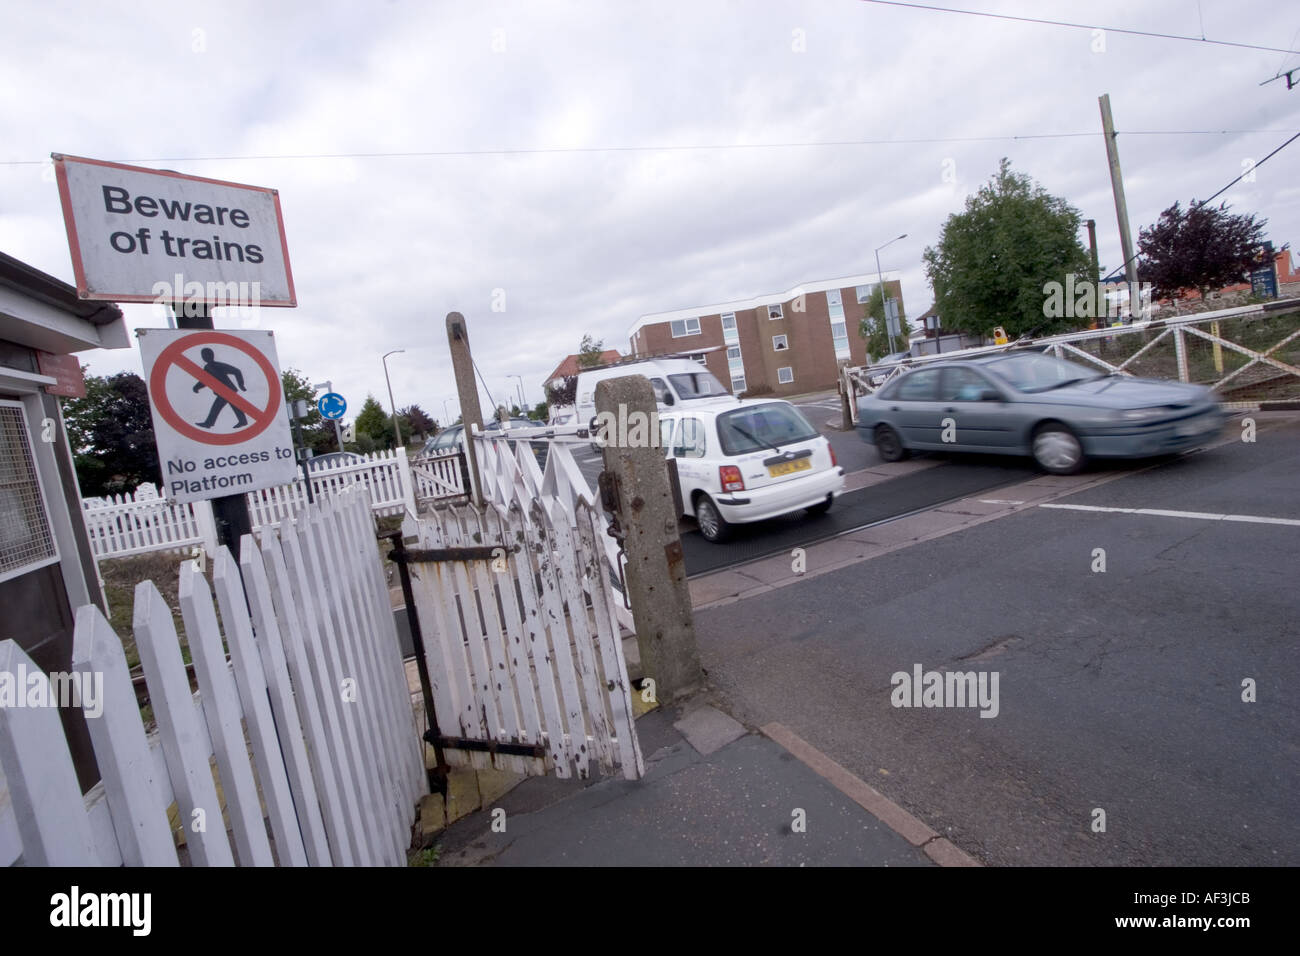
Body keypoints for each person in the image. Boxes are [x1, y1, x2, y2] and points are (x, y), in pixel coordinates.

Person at [193, 347, 249, 428]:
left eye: (207, 355)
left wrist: (241, 385)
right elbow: (205, 380)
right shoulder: (207, 367)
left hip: (227, 390)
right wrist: (197, 387)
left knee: (216, 407)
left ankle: (208, 423)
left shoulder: (218, 365)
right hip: (222, 391)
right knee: (234, 406)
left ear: (212, 355)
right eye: (203, 355)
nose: (205, 357)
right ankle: (243, 421)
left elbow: (236, 371)